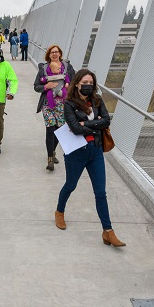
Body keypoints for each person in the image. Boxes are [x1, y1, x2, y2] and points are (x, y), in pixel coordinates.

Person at [54, 69, 124, 248]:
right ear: (77, 83)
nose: (88, 86)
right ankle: (59, 211)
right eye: (84, 83)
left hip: (96, 151)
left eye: (91, 83)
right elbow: (76, 129)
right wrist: (95, 125)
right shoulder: (69, 104)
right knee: (71, 185)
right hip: (77, 152)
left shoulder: (97, 100)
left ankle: (108, 231)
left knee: (101, 192)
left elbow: (106, 121)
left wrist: (86, 124)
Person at [35, 45, 75, 171]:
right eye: (52, 52)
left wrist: (69, 87)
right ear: (49, 54)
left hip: (63, 103)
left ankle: (52, 150)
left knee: (59, 128)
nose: (55, 54)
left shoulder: (68, 67)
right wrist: (46, 86)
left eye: (57, 52)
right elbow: (36, 86)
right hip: (48, 103)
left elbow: (74, 82)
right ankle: (50, 159)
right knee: (50, 128)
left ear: (60, 53)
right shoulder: (44, 69)